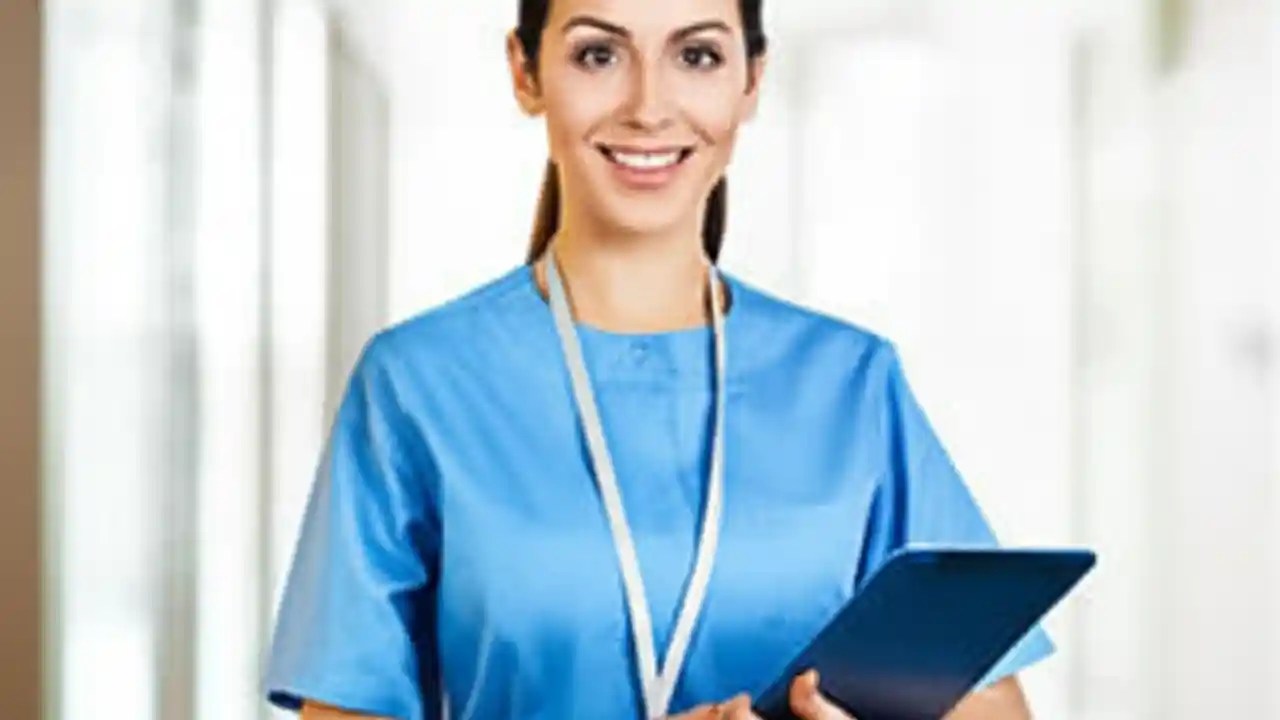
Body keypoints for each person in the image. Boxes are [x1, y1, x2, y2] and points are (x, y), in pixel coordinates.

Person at [264, 0, 1053, 718]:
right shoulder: (418, 385)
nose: (648, 107)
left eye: (698, 57)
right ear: (525, 71)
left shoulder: (850, 385)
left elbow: (990, 706)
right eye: (599, 56)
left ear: (752, 81)